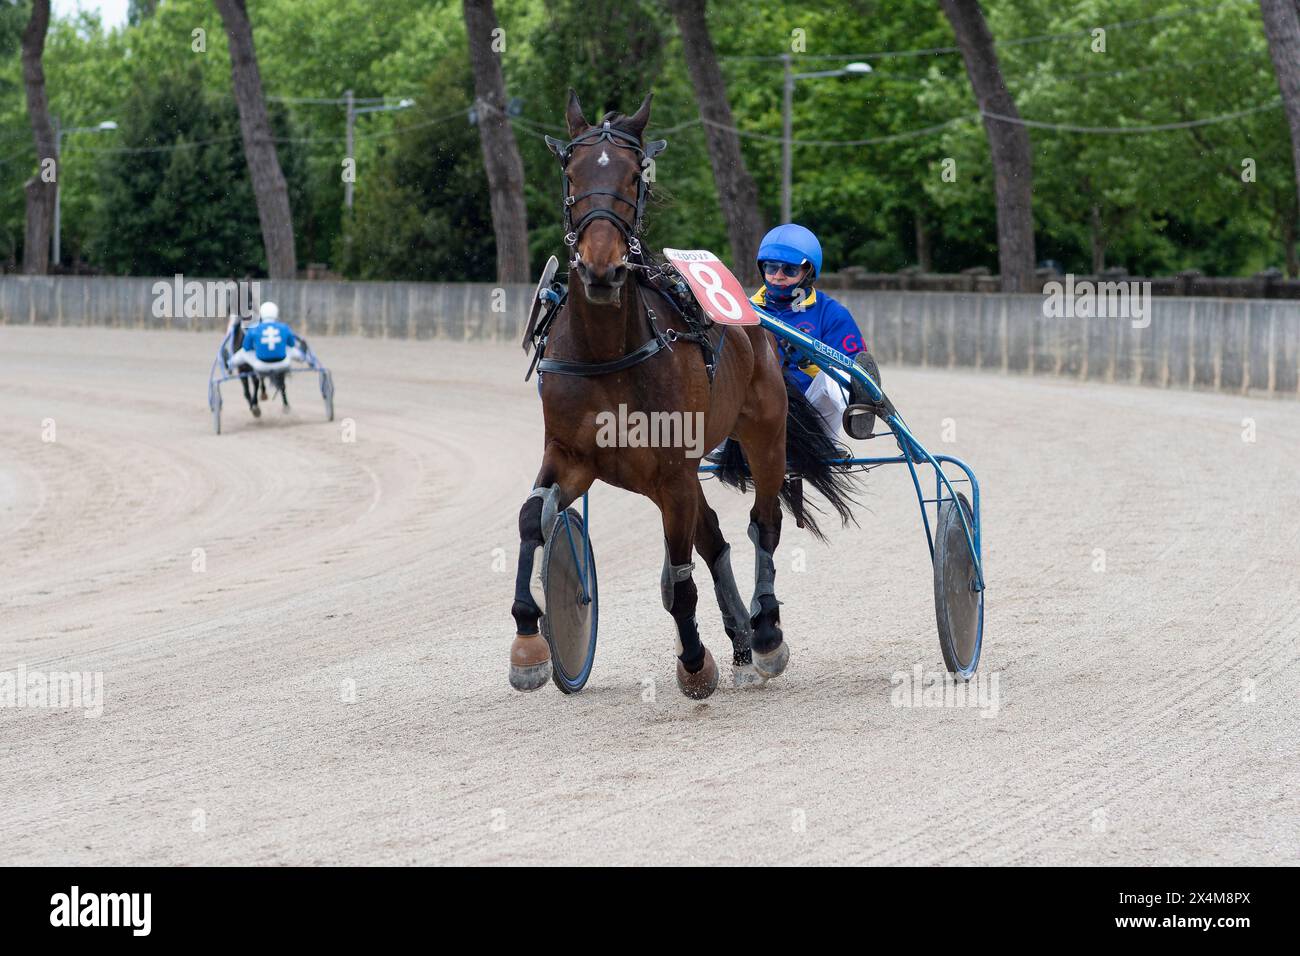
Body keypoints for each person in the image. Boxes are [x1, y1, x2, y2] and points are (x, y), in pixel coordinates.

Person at [750, 223, 883, 441]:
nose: (778, 276)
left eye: (789, 269)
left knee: (838, 375)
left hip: (812, 417)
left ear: (808, 271)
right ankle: (717, 444)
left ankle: (859, 416)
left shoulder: (832, 314)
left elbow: (855, 370)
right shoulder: (742, 311)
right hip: (756, 412)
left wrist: (815, 365)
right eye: (771, 267)